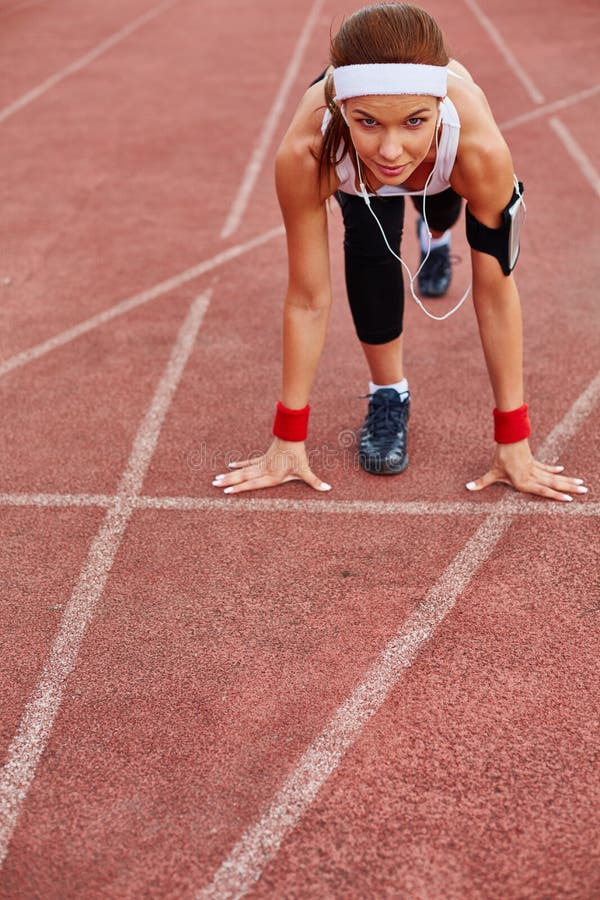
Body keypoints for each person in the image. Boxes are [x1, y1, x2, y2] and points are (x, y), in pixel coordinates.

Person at [213, 2, 587, 501]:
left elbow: (497, 294)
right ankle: (388, 392)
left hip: (445, 167)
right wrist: (287, 438)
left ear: (438, 108)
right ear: (343, 109)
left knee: (441, 212)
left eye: (414, 121)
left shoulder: (478, 150)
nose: (391, 151)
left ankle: (438, 238)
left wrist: (514, 442)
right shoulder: (307, 151)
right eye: (368, 122)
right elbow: (307, 298)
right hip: (354, 170)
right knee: (371, 246)